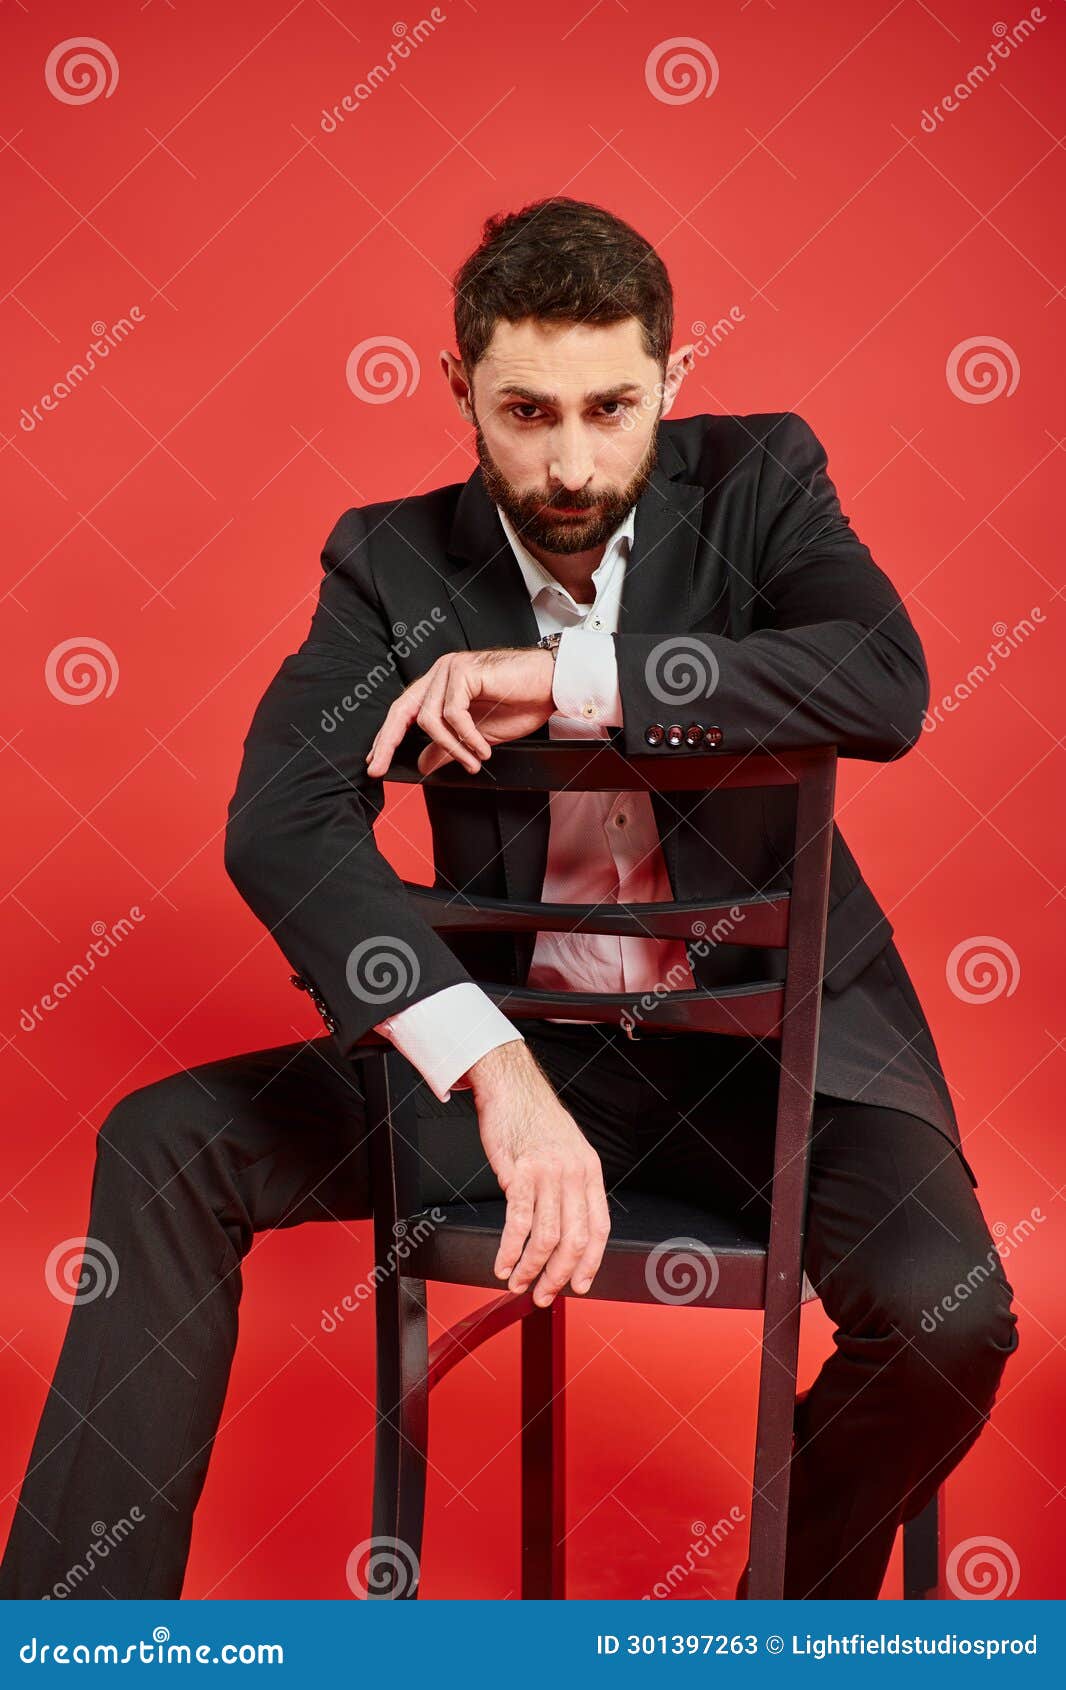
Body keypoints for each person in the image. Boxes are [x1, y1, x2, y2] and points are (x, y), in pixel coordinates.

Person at [0, 197, 1017, 1601]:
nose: (570, 460)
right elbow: (281, 819)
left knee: (944, 1316)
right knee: (166, 1142)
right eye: (525, 411)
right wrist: (490, 1065)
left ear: (670, 379)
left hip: (781, 1070)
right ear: (457, 387)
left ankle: (773, 1631)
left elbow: (878, 680)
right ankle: (72, 1634)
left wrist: (570, 680)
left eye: (610, 408)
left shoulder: (761, 485)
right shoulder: (391, 565)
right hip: (526, 1060)